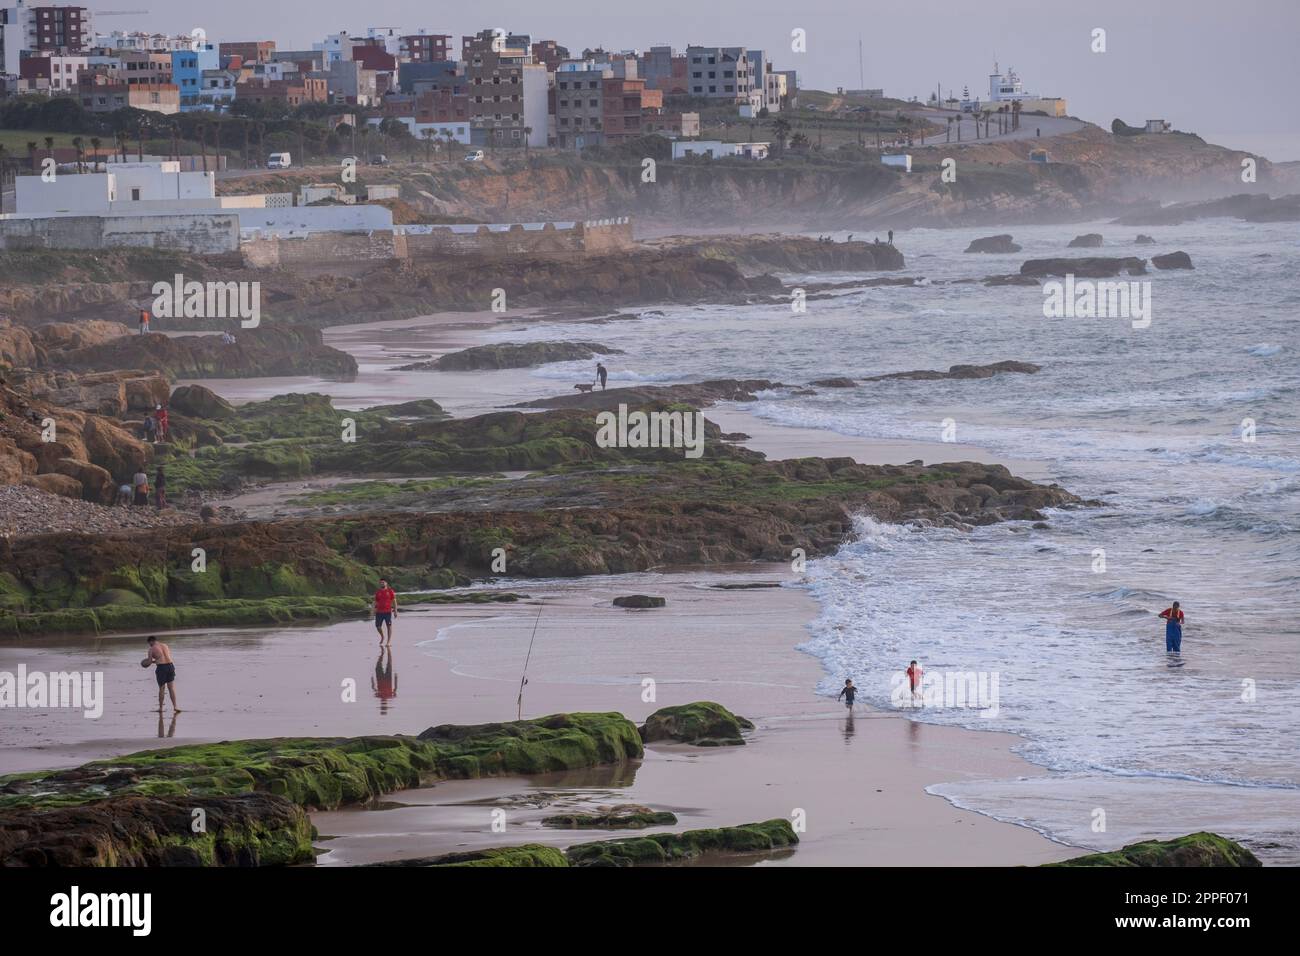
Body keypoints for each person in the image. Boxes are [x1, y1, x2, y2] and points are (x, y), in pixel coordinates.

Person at [142, 635, 180, 714]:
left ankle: (160, 708)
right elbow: (163, 658)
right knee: (171, 688)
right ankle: (175, 706)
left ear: (151, 641)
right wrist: (154, 661)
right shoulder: (165, 645)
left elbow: (149, 662)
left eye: (149, 643)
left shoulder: (151, 649)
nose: (149, 645)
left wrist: (144, 663)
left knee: (162, 688)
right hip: (170, 666)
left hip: (162, 668)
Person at [373, 578, 397, 644]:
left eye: (383, 582)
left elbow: (394, 601)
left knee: (389, 626)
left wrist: (395, 611)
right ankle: (382, 636)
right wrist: (373, 611)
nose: (382, 583)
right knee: (378, 626)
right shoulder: (378, 592)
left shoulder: (390, 591)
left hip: (388, 612)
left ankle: (388, 642)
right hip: (379, 612)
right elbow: (375, 602)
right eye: (381, 583)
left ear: (386, 583)